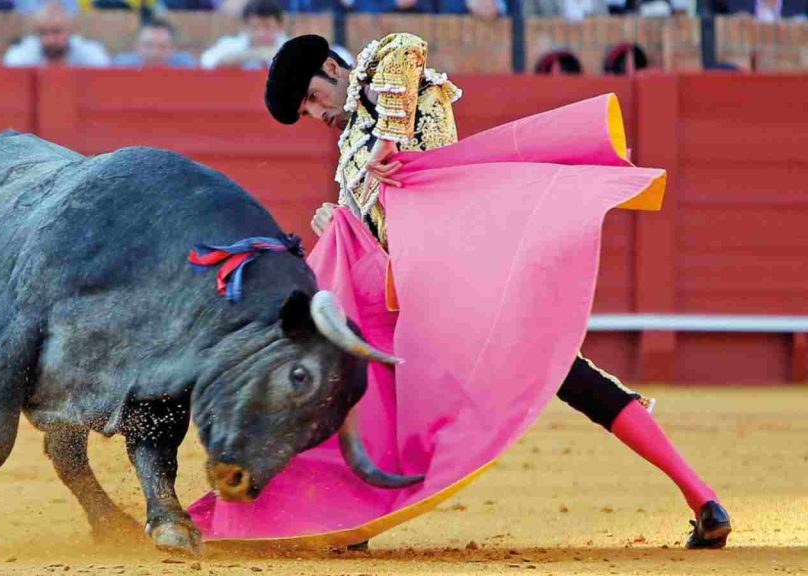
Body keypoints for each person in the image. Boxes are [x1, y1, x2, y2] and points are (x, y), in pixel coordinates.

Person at [262, 33, 732, 549]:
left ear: (332, 66)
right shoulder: (351, 147)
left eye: (310, 98)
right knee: (556, 377)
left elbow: (407, 46)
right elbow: (378, 231)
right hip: (429, 296)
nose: (314, 113)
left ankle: (702, 497)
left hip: (469, 272)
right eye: (304, 111)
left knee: (566, 377)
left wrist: (388, 136)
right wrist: (339, 220)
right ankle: (354, 522)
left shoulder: (377, 84)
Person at [3, 1, 111, 68]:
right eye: (43, 33)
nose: (50, 40)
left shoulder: (90, 54)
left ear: (70, 30)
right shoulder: (21, 56)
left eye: (56, 32)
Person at [199, 0, 287, 70]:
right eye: (254, 27)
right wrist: (252, 54)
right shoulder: (230, 45)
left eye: (267, 27)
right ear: (245, 26)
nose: (261, 33)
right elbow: (206, 62)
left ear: (280, 26)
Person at [113, 18, 196, 68]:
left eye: (162, 47)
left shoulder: (186, 66)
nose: (154, 53)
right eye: (148, 46)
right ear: (136, 46)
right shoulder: (121, 65)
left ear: (173, 48)